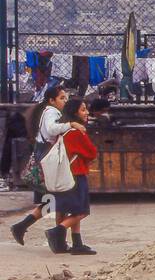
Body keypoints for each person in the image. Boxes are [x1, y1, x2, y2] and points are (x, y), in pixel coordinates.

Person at [8, 83, 88, 246]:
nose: (64, 101)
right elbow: (52, 130)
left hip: (46, 158)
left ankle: (25, 227)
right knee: (57, 200)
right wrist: (71, 124)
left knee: (54, 201)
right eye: (61, 98)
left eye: (66, 98)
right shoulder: (51, 112)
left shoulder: (49, 111)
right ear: (51, 100)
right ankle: (53, 236)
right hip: (50, 160)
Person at [48, 97, 98, 255]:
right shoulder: (77, 132)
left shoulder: (63, 131)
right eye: (83, 109)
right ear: (75, 113)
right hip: (76, 174)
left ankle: (76, 243)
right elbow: (92, 153)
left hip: (63, 175)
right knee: (82, 211)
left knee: (73, 210)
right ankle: (58, 231)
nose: (87, 112)